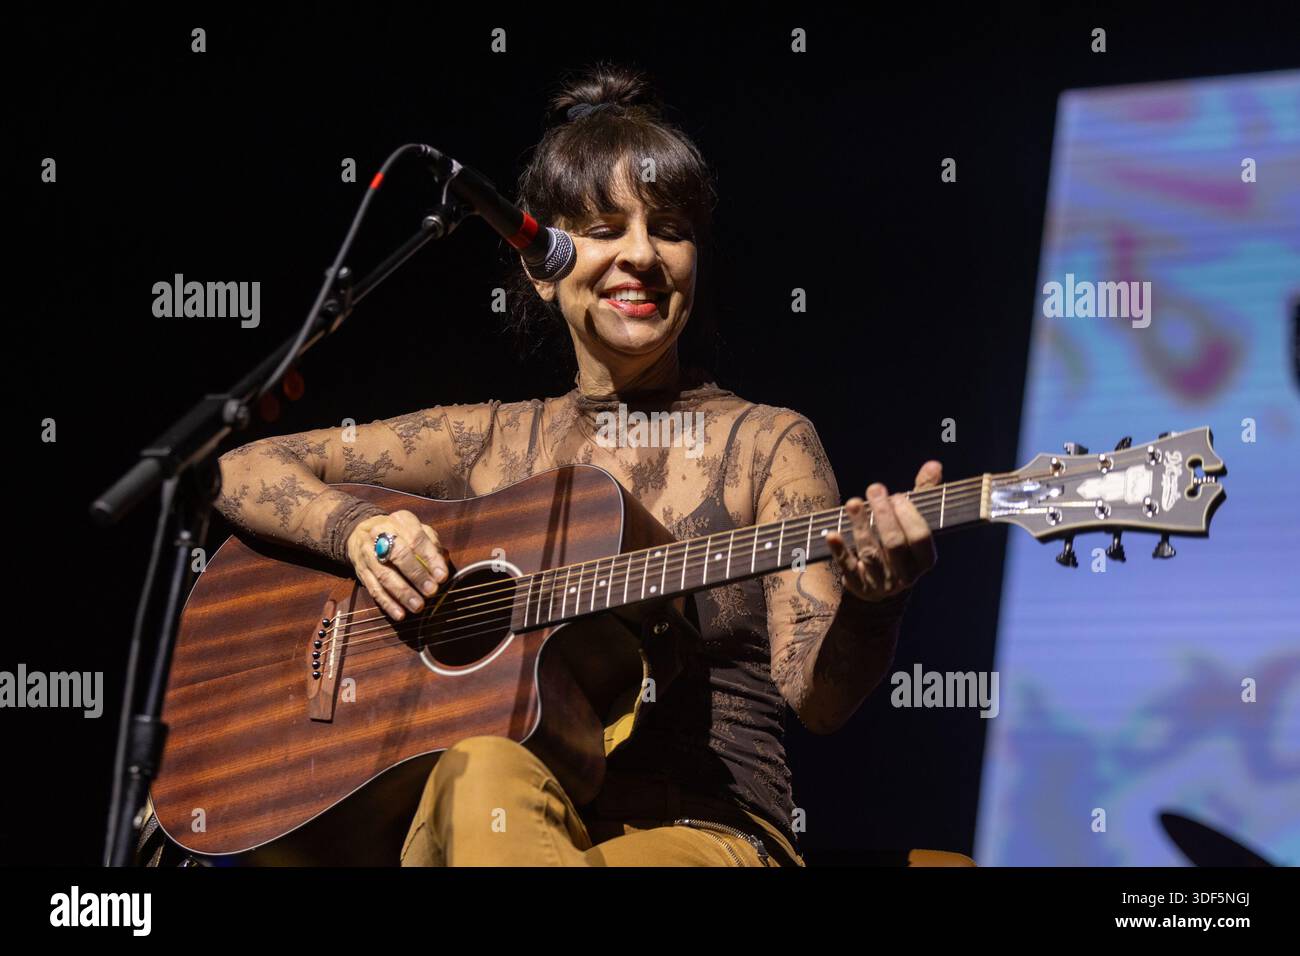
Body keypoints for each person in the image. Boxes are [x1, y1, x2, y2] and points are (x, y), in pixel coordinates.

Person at [213, 62, 941, 867]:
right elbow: (241, 469)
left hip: (705, 833)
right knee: (482, 765)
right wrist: (361, 531)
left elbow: (818, 696)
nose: (643, 256)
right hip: (484, 822)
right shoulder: (488, 441)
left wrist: (874, 608)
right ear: (542, 263)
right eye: (604, 231)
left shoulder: (767, 443)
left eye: (670, 229)